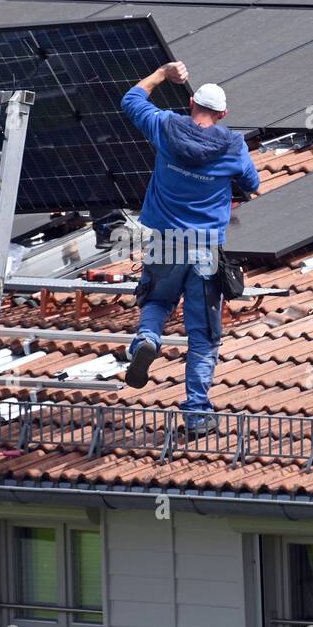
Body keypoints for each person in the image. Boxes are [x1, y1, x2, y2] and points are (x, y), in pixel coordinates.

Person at [119, 61, 260, 437]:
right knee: (203, 335)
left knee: (157, 303)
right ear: (224, 114)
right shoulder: (232, 145)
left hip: (165, 242)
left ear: (191, 102)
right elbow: (252, 181)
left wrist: (162, 75)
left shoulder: (165, 126)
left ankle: (147, 341)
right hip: (204, 251)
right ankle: (197, 414)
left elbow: (131, 99)